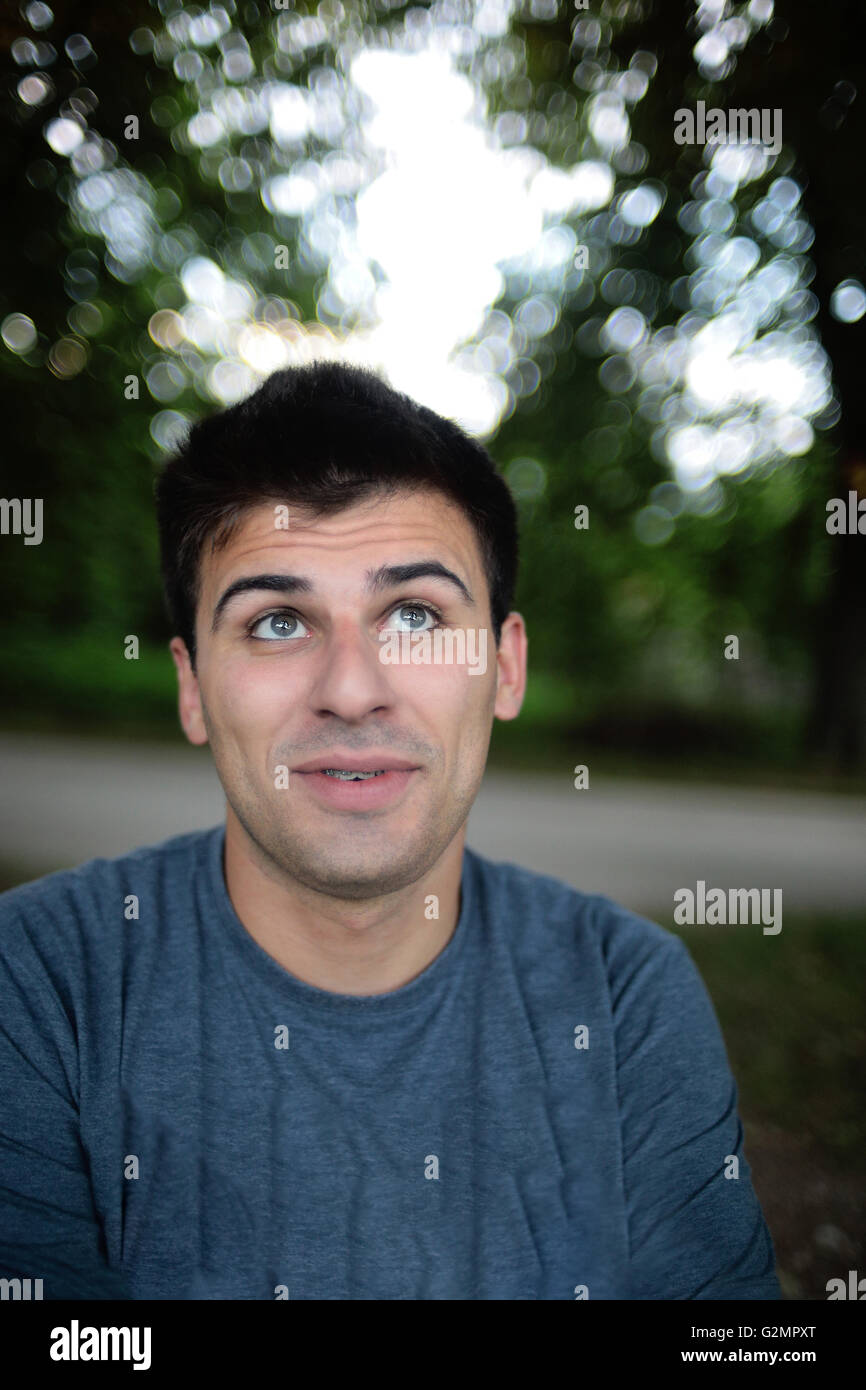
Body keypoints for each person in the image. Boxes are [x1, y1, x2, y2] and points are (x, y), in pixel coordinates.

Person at [0, 362, 781, 1300]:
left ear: (504, 667)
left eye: (414, 615)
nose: (352, 688)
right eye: (279, 622)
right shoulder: (38, 987)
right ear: (192, 686)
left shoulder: (626, 1000)